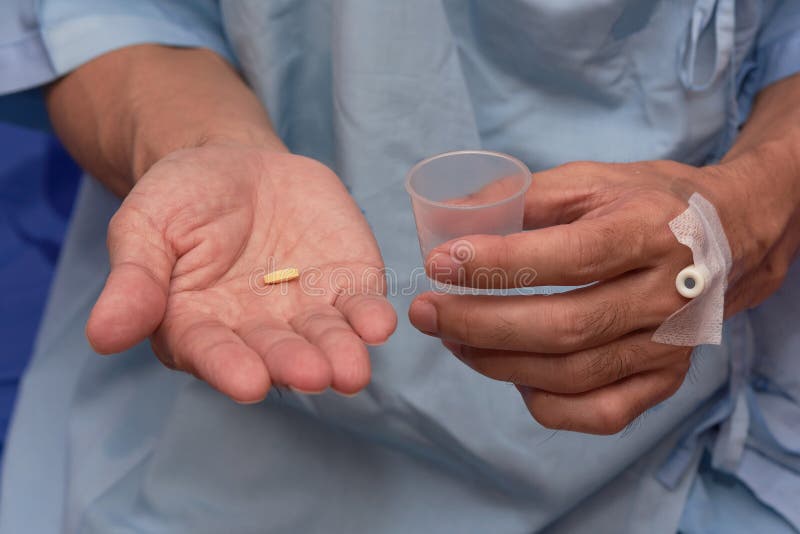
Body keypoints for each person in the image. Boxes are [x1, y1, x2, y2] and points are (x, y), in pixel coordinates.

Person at [1, 1, 799, 532]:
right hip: (243, 456)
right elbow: (102, 16)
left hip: (726, 435)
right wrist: (210, 146)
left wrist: (759, 196)